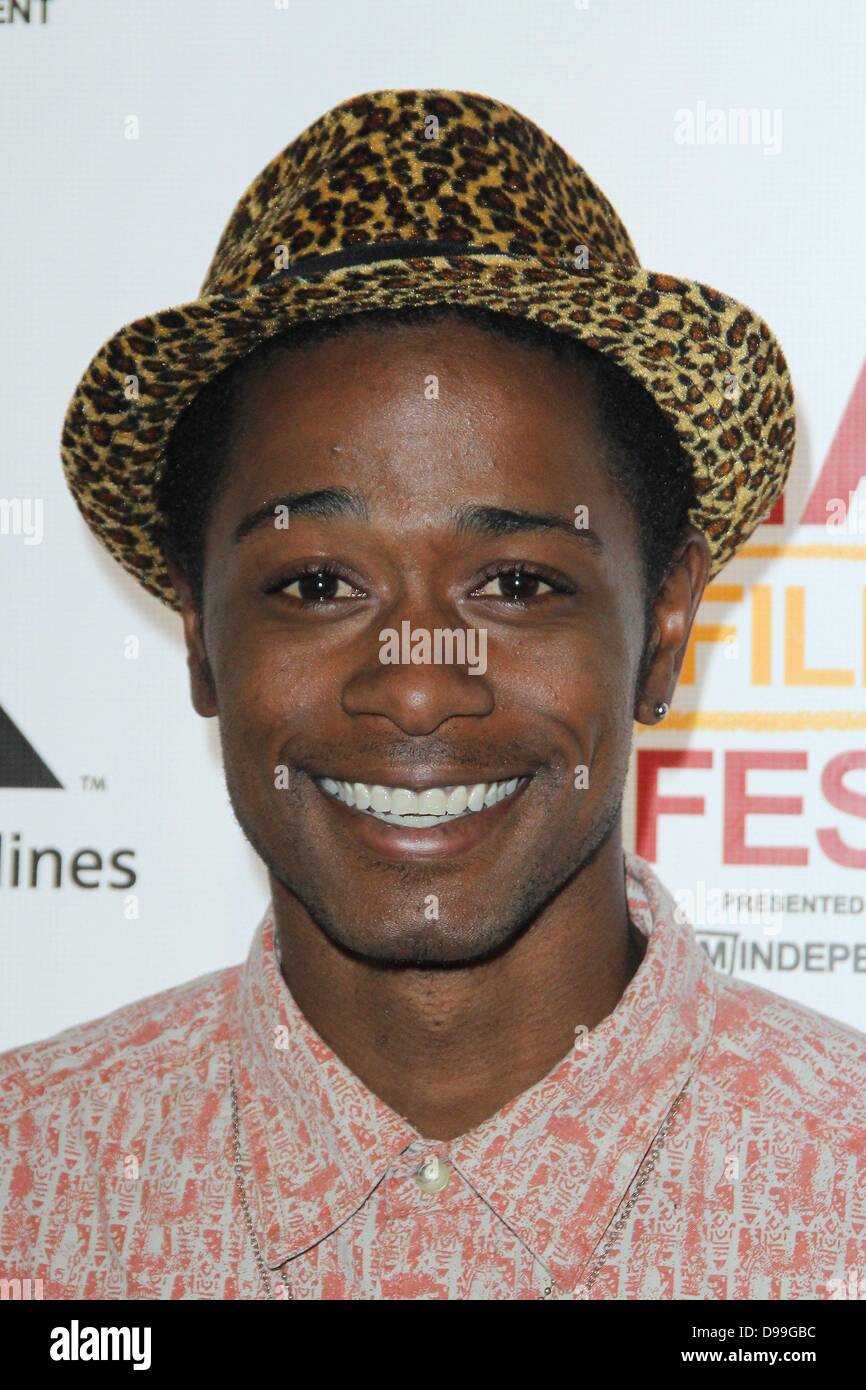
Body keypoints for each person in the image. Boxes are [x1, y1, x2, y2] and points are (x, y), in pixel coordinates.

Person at [2, 88, 863, 1301]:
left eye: (514, 581)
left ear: (662, 630)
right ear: (199, 634)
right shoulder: (27, 1188)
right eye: (314, 582)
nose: (415, 687)